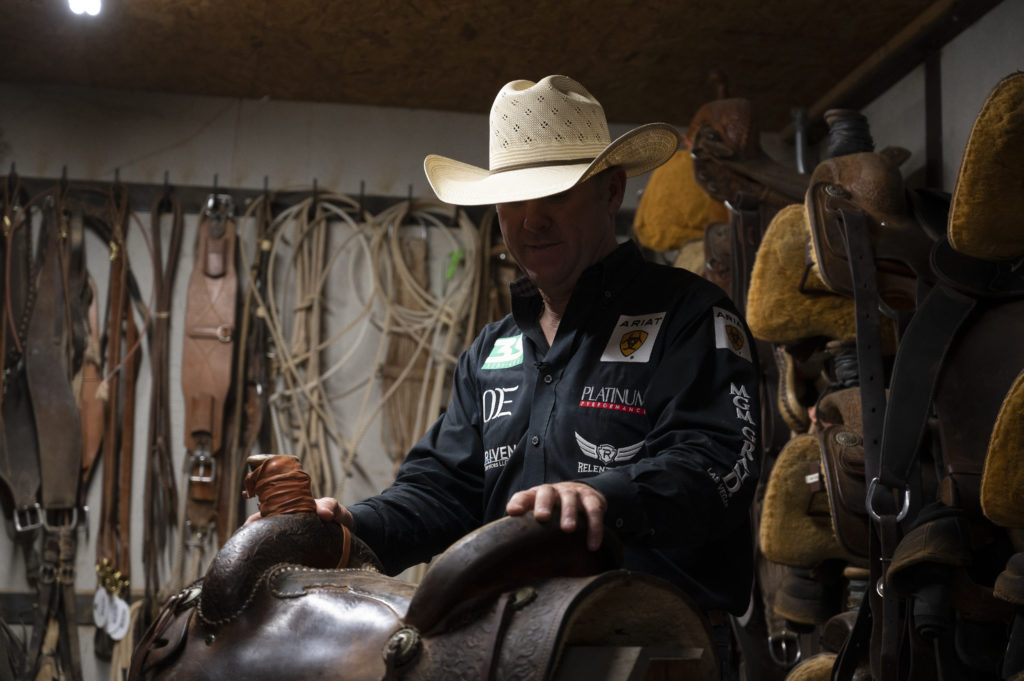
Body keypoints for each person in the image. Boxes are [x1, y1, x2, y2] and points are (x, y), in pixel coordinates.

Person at [310, 75, 762, 672]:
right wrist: (349, 530)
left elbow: (716, 461)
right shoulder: (493, 351)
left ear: (610, 191)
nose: (532, 219)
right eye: (514, 199)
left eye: (556, 194)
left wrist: (604, 497)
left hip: (657, 648)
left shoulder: (691, 316)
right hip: (509, 650)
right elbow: (443, 489)